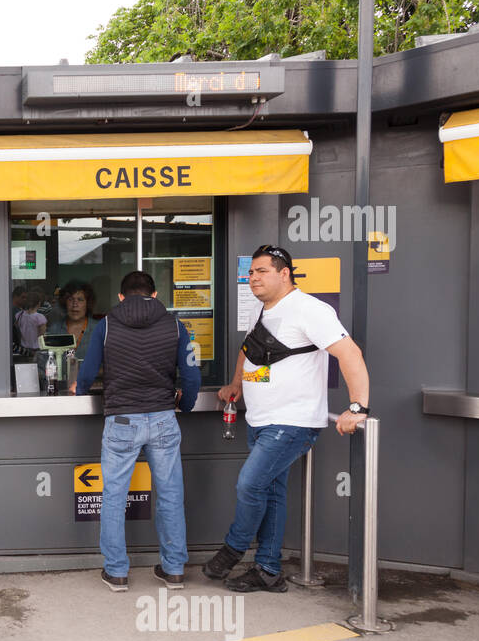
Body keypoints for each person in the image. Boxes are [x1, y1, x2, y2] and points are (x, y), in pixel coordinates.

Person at [204, 245, 370, 593]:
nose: (253, 278)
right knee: (272, 492)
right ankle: (267, 570)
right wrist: (237, 384)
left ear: (285, 273)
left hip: (292, 421)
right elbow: (248, 350)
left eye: (262, 271)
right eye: (251, 273)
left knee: (250, 484)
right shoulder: (259, 310)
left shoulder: (310, 310)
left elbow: (349, 353)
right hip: (262, 418)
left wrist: (357, 407)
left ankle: (233, 549)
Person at [76, 271, 200, 592]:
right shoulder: (175, 326)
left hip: (121, 421)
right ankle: (173, 570)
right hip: (162, 419)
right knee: (171, 495)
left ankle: (117, 572)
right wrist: (184, 407)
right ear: (155, 294)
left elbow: (88, 371)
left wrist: (80, 392)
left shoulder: (105, 325)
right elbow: (191, 376)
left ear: (120, 297)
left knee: (114, 496)